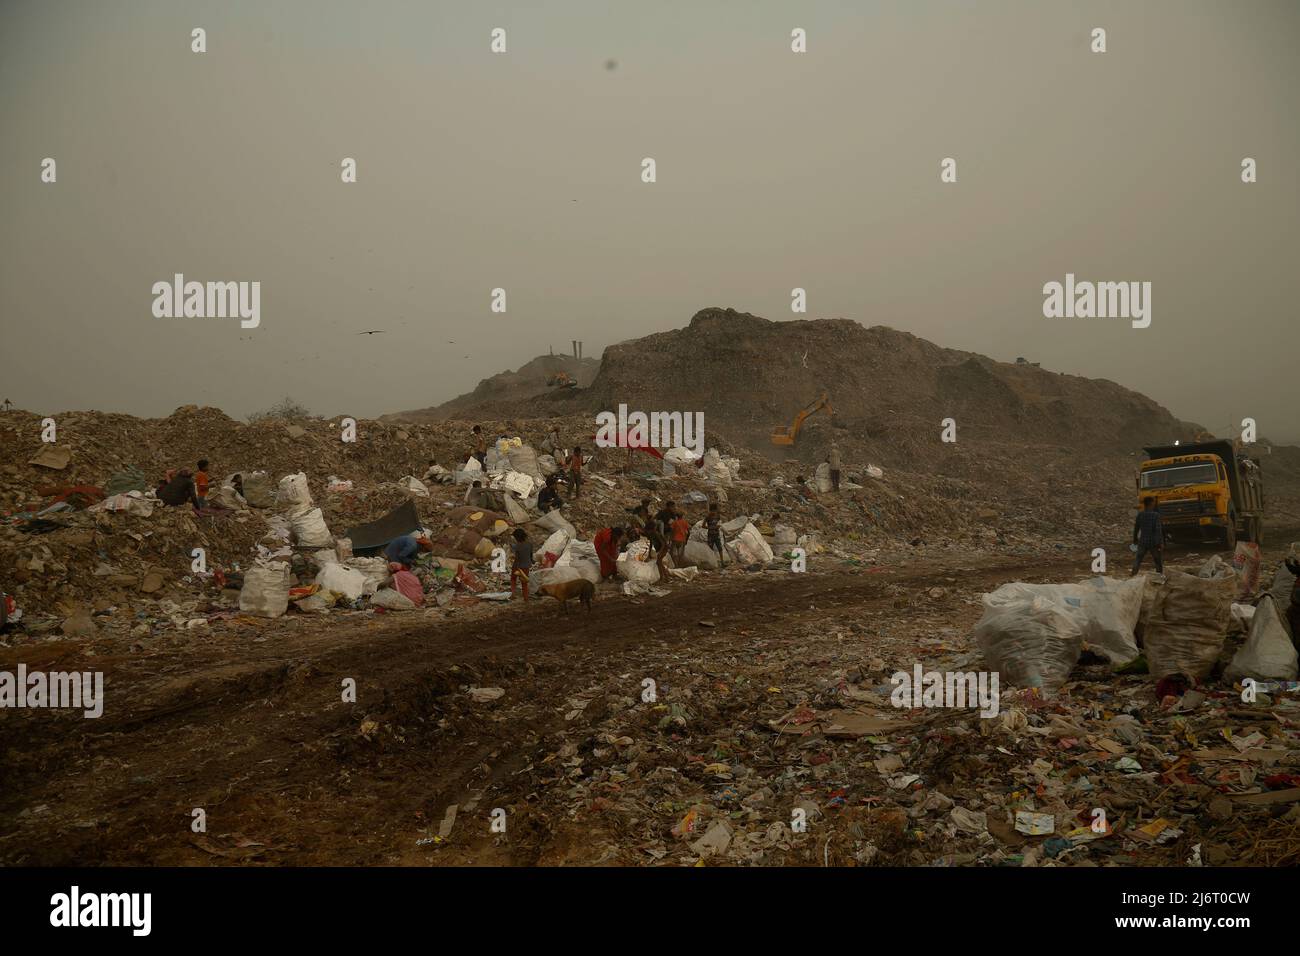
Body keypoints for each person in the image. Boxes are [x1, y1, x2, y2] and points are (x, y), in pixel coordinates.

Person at [1131, 497, 1164, 575]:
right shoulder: (1156, 515)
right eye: (1153, 502)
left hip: (1143, 541)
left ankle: (1133, 574)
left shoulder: (1140, 515)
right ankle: (1159, 576)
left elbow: (1136, 528)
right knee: (1157, 560)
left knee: (1138, 559)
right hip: (1154, 542)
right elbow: (1158, 530)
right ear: (1151, 503)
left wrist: (1135, 539)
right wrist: (1161, 542)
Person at [510, 528, 534, 601]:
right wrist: (532, 561)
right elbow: (530, 556)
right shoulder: (529, 544)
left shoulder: (516, 546)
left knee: (513, 579)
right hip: (526, 566)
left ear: (516, 537)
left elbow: (516, 557)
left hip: (517, 566)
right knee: (524, 584)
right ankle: (526, 599)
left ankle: (513, 594)